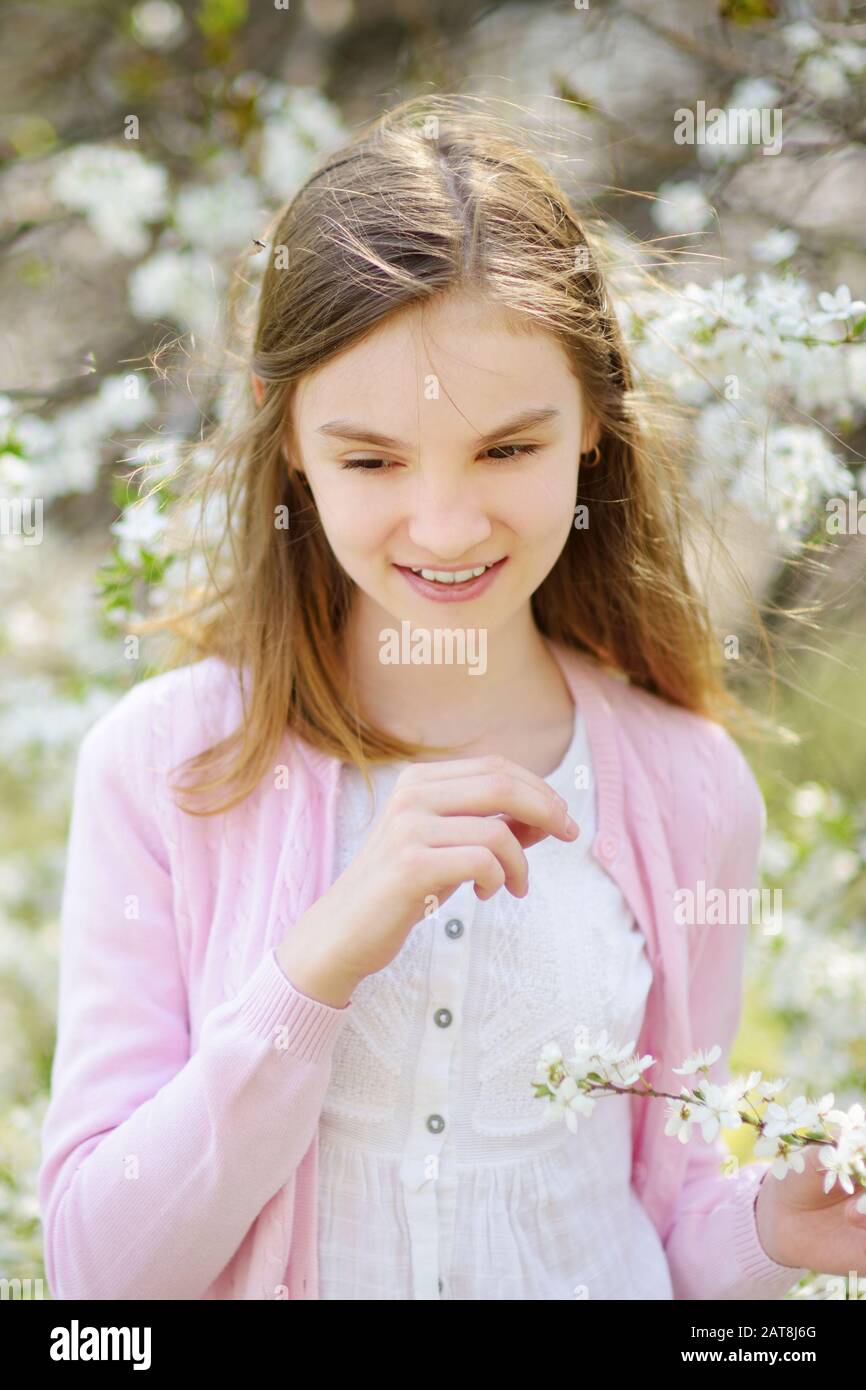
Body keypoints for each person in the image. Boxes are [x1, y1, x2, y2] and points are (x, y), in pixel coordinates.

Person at [38, 95, 859, 1301]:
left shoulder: (686, 785)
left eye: (507, 449)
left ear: (588, 427)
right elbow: (97, 1280)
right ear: (290, 447)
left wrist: (766, 1229)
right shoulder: (166, 766)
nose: (444, 524)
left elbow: (656, 1218)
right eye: (370, 459)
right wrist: (315, 965)